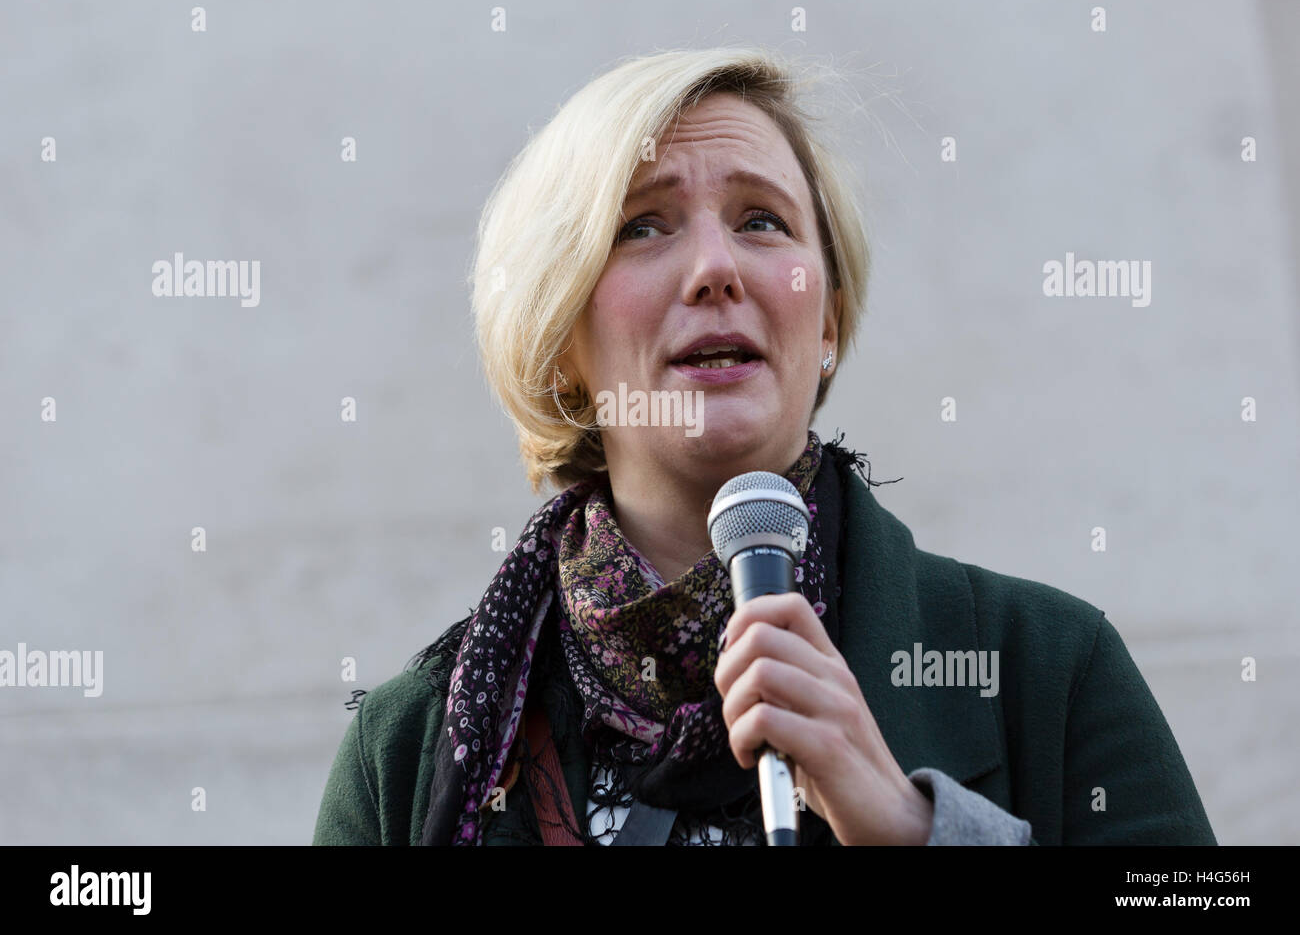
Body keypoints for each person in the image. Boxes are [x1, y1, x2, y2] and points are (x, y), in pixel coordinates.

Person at [312, 46, 1217, 846]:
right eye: (642, 225)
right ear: (562, 340)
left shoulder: (1047, 667)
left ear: (827, 316)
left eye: (762, 222)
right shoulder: (408, 745)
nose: (716, 269)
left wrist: (913, 831)